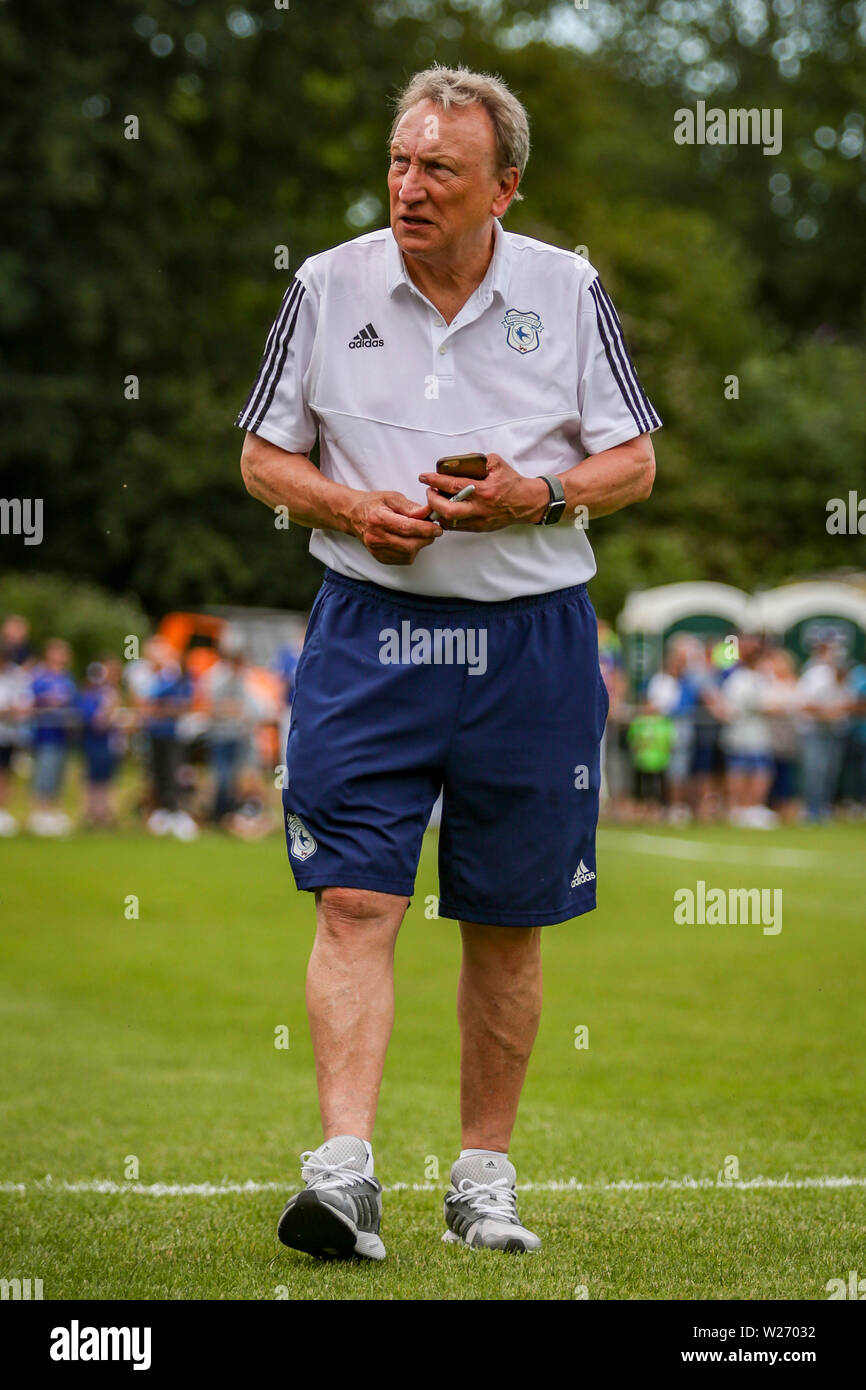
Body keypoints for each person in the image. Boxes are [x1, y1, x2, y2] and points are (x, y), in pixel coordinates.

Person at [237, 65, 660, 1260]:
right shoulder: (325, 283)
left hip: (531, 643)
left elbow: (632, 463)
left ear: (503, 189)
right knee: (358, 897)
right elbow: (265, 459)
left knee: (506, 919)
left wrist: (540, 495)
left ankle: (482, 1178)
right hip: (368, 633)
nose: (408, 188)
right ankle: (342, 1174)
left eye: (439, 171)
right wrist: (349, 505)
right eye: (398, 162)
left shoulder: (565, 287)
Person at [28, 638, 77, 836]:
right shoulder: (39, 676)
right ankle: (40, 813)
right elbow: (30, 701)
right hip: (45, 733)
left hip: (63, 734)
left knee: (59, 775)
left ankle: (54, 812)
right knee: (44, 773)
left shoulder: (67, 678)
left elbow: (74, 701)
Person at [77, 660, 123, 828]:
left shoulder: (112, 693)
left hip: (110, 744)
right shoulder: (91, 695)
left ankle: (105, 813)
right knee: (92, 779)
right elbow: (96, 722)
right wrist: (109, 710)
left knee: (108, 779)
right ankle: (91, 813)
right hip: (95, 743)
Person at [0, 640, 31, 835]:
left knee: (5, 773)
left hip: (8, 733)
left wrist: (17, 709)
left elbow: (25, 700)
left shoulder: (16, 674)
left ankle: (2, 811)